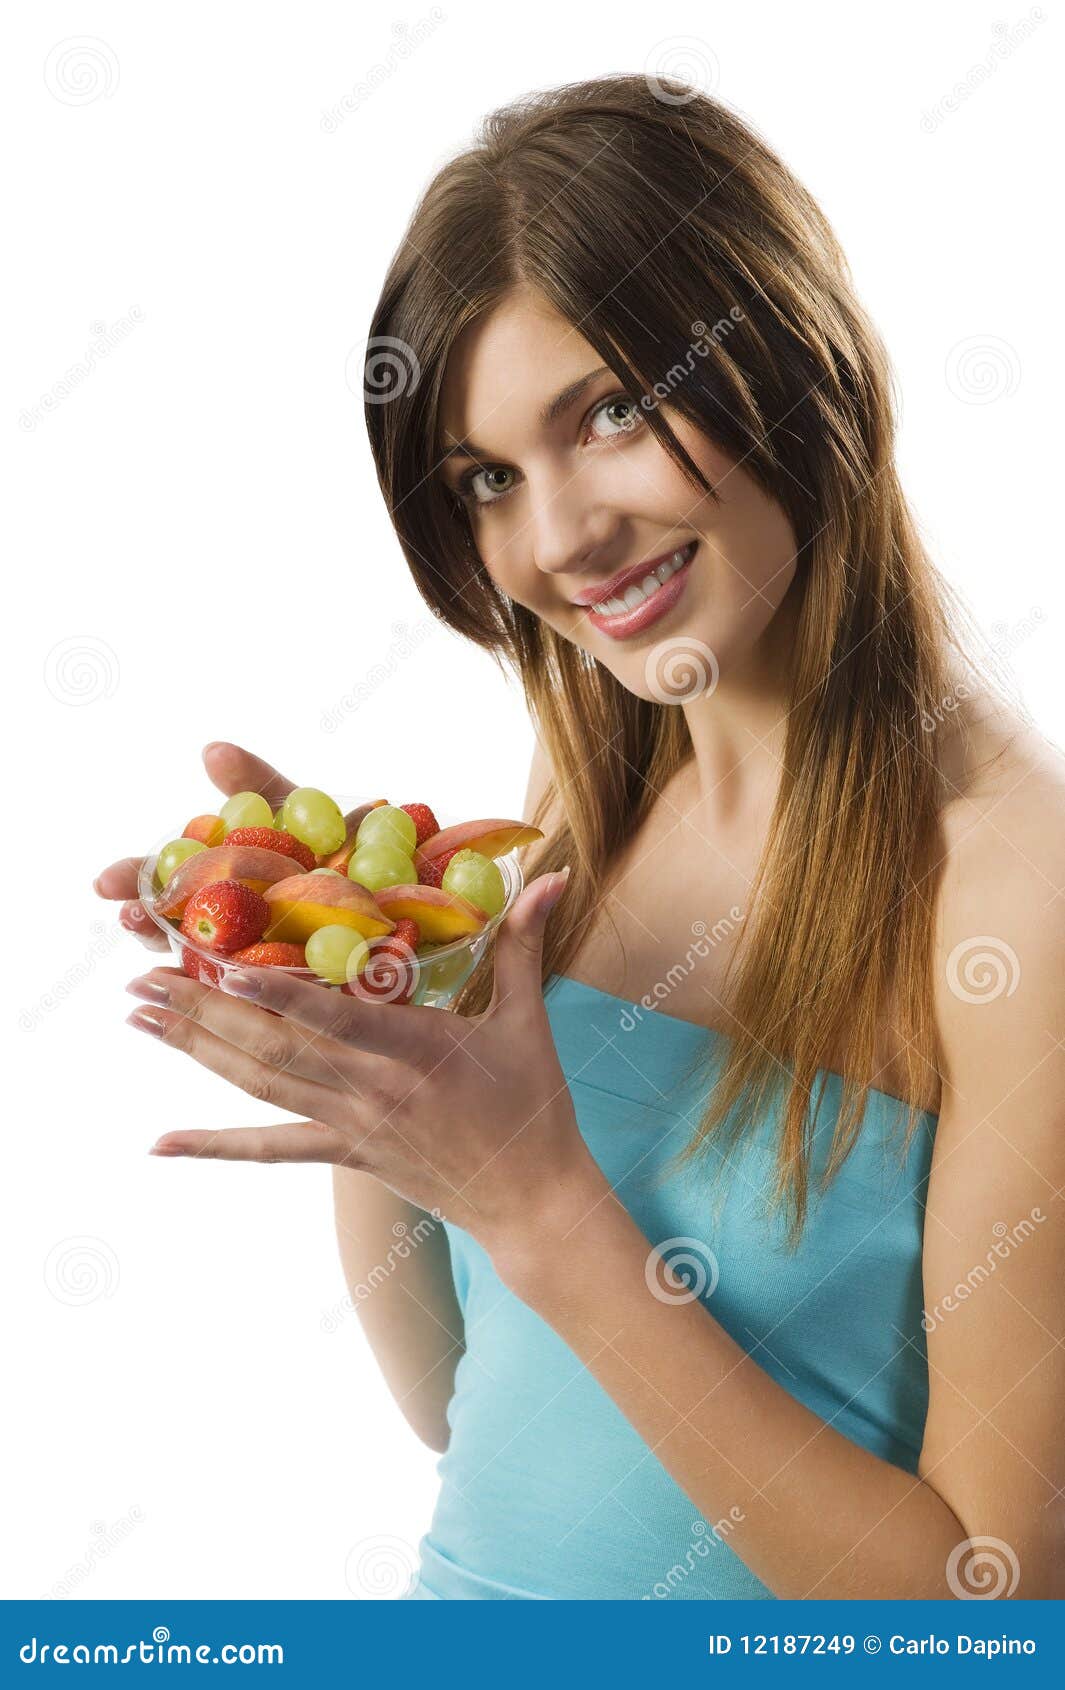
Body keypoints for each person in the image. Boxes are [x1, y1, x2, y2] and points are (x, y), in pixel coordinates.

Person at [93, 74, 1065, 1601]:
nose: (555, 542)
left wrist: (538, 1200)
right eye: (488, 478)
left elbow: (993, 1605)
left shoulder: (1016, 892)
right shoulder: (576, 817)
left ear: (789, 357)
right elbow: (474, 1413)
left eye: (606, 412)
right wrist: (381, 1049)